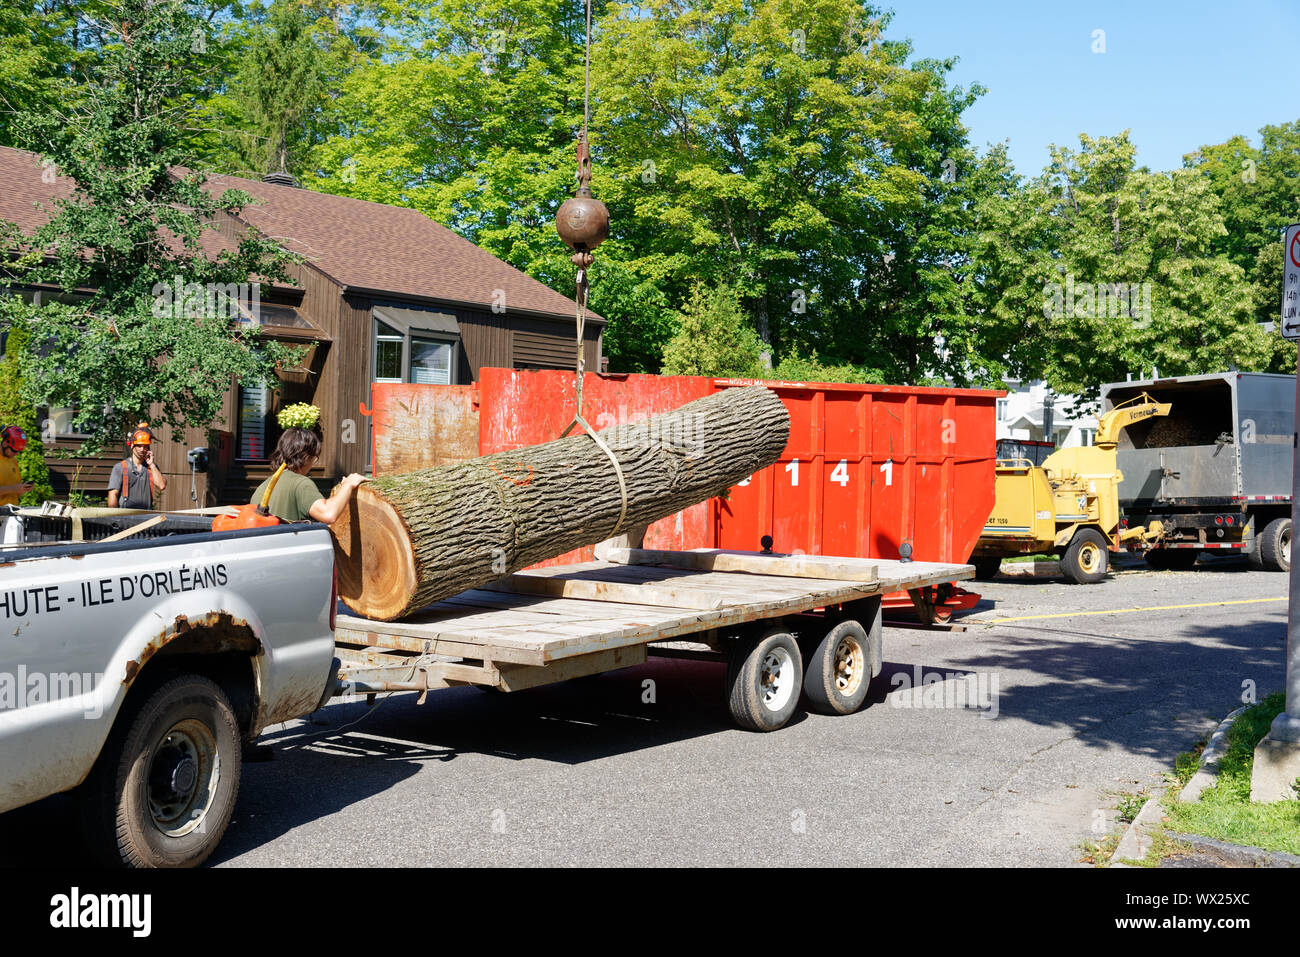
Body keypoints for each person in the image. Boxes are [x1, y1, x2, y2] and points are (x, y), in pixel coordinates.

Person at [251, 426, 366, 523]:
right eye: (314, 457)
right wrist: (349, 484)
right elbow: (328, 514)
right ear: (306, 457)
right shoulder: (301, 483)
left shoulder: (262, 488)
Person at [107, 427, 167, 509]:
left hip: (147, 517)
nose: (142, 449)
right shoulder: (120, 467)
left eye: (145, 446)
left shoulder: (152, 467)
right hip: (125, 517)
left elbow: (161, 486)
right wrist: (113, 518)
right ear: (132, 445)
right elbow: (113, 494)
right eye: (139, 446)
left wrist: (152, 464)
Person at [0, 426, 35, 506]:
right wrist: (13, 489)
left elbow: (16, 493)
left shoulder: (13, 461)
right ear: (5, 443)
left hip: (12, 512)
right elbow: (13, 489)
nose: (16, 454)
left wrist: (23, 489)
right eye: (14, 450)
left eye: (18, 451)